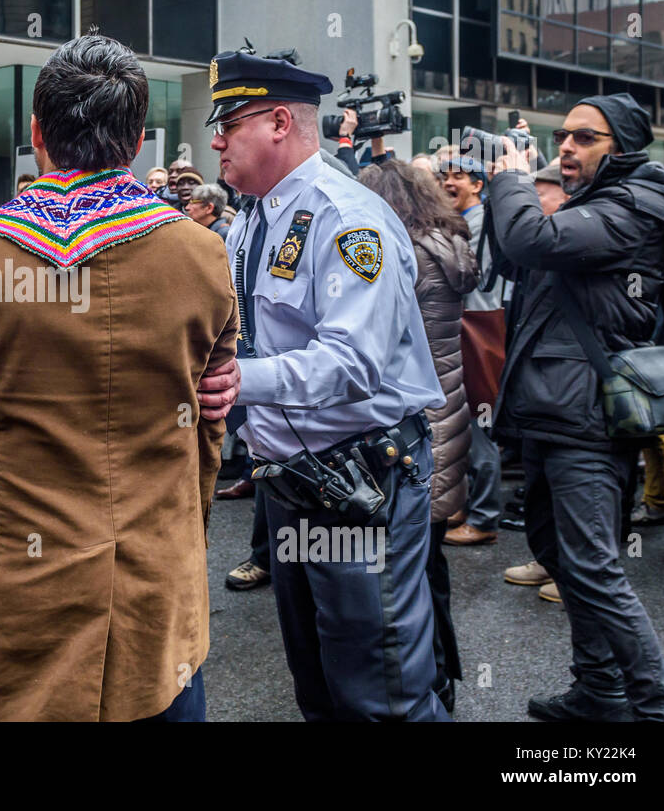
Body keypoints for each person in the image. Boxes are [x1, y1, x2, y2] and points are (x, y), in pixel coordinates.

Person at [0, 33, 238, 722]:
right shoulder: (203, 257)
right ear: (137, 139)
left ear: (36, 133)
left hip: (14, 606)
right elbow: (208, 421)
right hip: (155, 605)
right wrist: (183, 537)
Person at [196, 47, 450, 721]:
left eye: (230, 121)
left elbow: (354, 362)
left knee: (380, 691)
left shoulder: (347, 216)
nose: (215, 138)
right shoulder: (253, 215)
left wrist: (236, 380)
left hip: (358, 477)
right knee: (318, 681)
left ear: (280, 121)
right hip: (294, 481)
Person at [485, 92, 664, 721]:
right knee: (562, 555)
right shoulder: (596, 202)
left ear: (620, 147)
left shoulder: (636, 207)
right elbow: (516, 263)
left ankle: (658, 708)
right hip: (553, 409)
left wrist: (515, 181)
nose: (566, 146)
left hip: (587, 421)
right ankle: (599, 690)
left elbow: (530, 241)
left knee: (594, 567)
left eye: (584, 137)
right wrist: (507, 193)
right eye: (564, 135)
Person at [359, 159, 479, 714]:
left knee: (406, 573)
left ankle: (424, 683)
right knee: (430, 563)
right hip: (449, 411)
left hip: (412, 422)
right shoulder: (449, 244)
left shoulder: (401, 254)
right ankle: (445, 672)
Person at [439, 153, 507, 548]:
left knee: (480, 430)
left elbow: (466, 281)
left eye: (459, 177)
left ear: (478, 185)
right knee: (464, 426)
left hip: (478, 333)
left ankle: (484, 517)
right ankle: (467, 508)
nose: (449, 183)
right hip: (469, 331)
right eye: (445, 176)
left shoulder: (480, 225)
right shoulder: (466, 223)